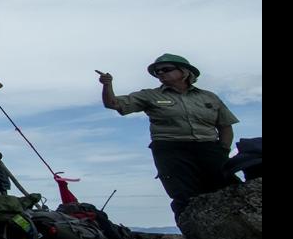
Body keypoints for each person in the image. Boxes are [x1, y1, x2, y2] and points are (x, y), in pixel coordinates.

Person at [98, 54, 239, 216]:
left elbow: (225, 125)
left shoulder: (209, 97)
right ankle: (194, 233)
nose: (160, 74)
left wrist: (222, 150)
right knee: (184, 196)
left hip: (209, 148)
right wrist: (107, 85)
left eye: (166, 69)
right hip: (170, 150)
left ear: (185, 72)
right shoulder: (149, 95)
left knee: (229, 187)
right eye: (157, 72)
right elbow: (113, 104)